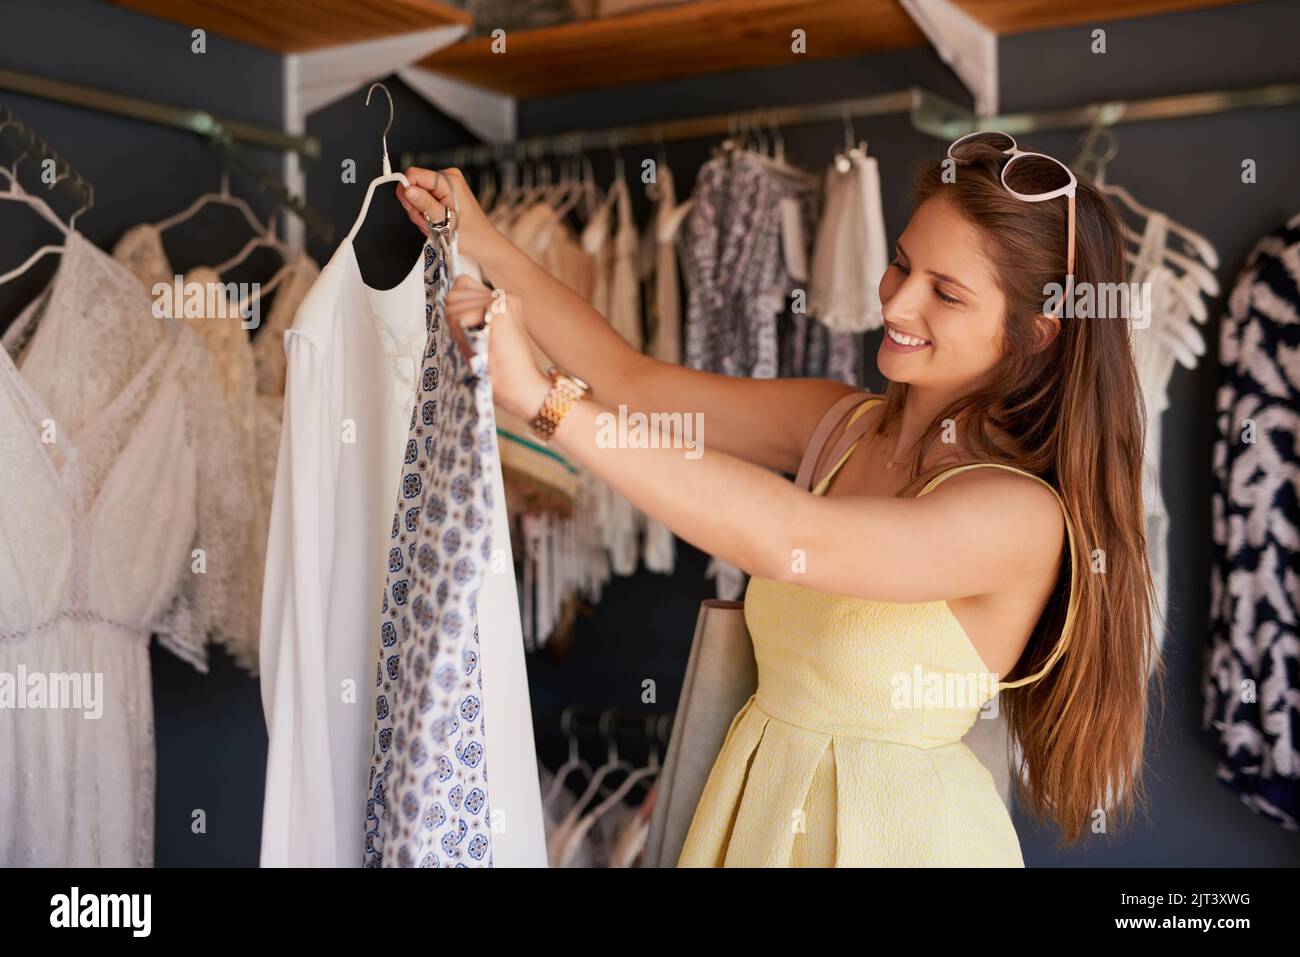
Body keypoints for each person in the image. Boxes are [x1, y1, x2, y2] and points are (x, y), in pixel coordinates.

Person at [395, 134, 1162, 867]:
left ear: (1036, 330)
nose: (895, 303)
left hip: (899, 837)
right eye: (901, 264)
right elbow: (632, 383)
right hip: (761, 812)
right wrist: (481, 238)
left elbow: (792, 537)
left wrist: (540, 400)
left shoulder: (1016, 514)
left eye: (947, 294)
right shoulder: (843, 425)